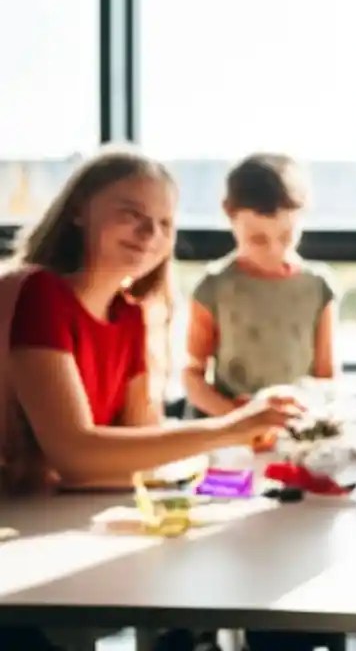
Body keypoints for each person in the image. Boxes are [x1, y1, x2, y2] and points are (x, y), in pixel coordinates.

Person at [0, 146, 295, 497]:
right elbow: (74, 455)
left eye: (165, 223)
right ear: (79, 209)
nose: (150, 233)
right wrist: (230, 428)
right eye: (131, 213)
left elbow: (141, 449)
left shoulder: (132, 317)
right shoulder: (39, 292)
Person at [183, 153, 339, 419]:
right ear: (229, 217)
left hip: (295, 429)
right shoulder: (214, 287)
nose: (274, 249)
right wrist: (235, 419)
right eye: (257, 239)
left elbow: (326, 376)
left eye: (286, 237)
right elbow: (192, 375)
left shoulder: (318, 286)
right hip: (229, 432)